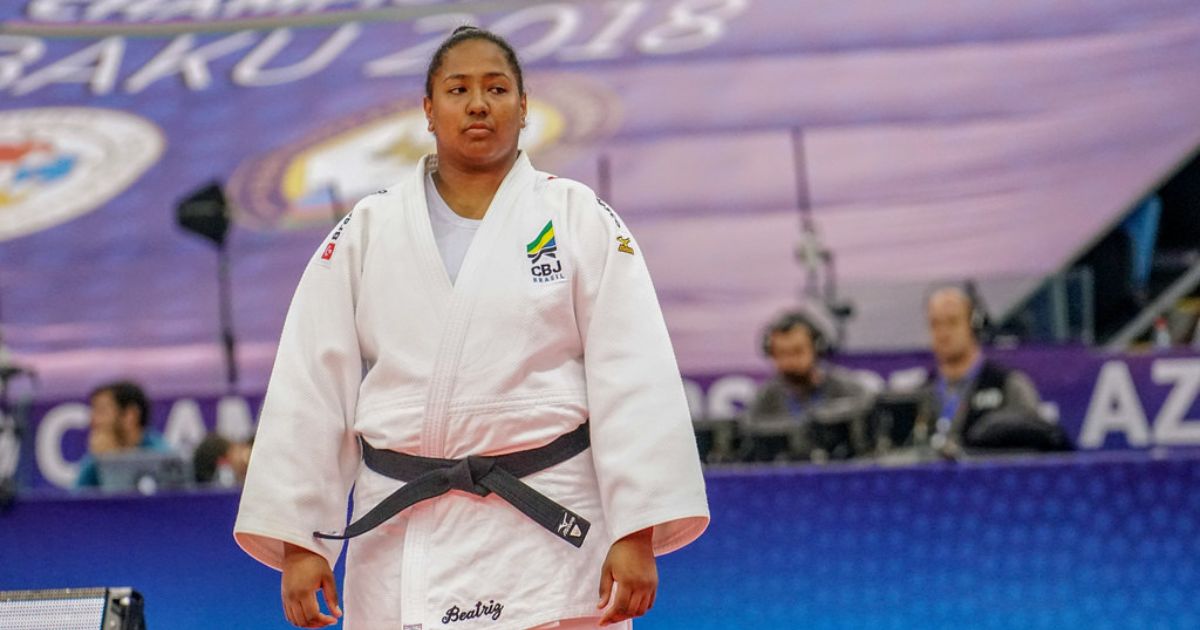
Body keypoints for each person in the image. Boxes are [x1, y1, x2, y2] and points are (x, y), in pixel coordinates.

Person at [234, 26, 709, 630]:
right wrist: (304, 542)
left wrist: (637, 530)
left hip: (551, 530)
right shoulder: (367, 229)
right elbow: (311, 384)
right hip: (405, 538)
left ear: (524, 107)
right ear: (428, 111)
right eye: (458, 89)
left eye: (497, 87)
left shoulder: (576, 216)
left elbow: (634, 376)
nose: (479, 103)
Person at [917, 286, 1054, 455]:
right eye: (935, 324)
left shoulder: (1009, 385)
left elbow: (1040, 445)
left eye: (952, 322)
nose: (943, 333)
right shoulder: (921, 392)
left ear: (973, 324)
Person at [744, 311, 874, 461]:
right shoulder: (764, 400)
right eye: (780, 353)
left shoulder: (851, 391)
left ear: (817, 348)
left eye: (797, 351)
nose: (789, 361)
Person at [75, 380, 171, 488]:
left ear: (130, 416)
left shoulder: (164, 459)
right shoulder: (97, 458)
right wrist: (105, 459)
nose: (92, 421)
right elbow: (77, 499)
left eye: (101, 411)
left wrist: (113, 460)